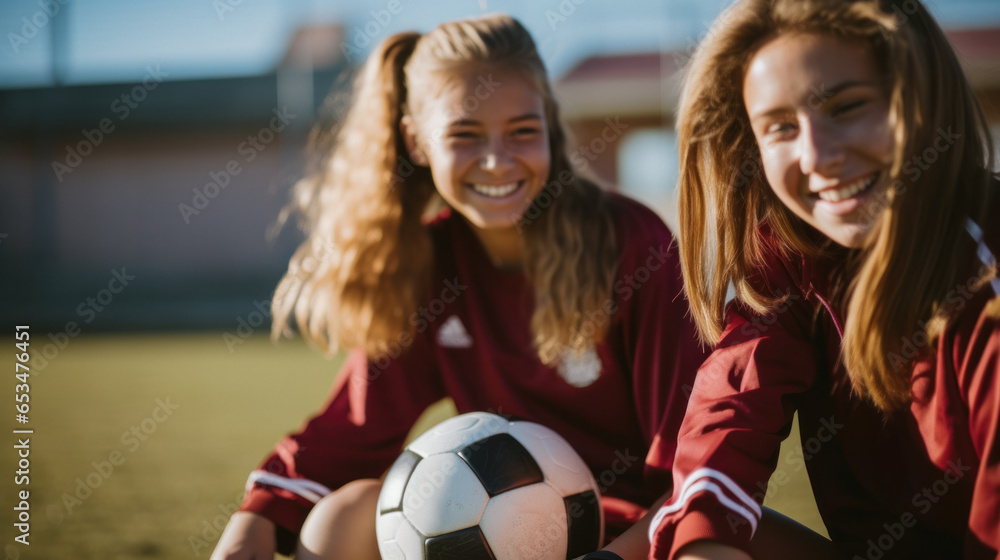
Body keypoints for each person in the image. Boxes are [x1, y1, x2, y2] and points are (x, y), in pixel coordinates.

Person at [210, 14, 708, 560]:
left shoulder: (632, 243)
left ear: (549, 124)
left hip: (640, 538)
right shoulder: (429, 266)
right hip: (489, 541)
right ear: (416, 142)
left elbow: (697, 454)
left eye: (521, 130)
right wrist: (253, 520)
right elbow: (349, 431)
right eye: (465, 135)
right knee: (342, 517)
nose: (497, 161)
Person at [647, 0, 999, 558]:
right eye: (780, 127)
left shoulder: (984, 273)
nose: (817, 156)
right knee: (703, 520)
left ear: (922, 97)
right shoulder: (794, 255)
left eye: (848, 106)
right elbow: (730, 407)